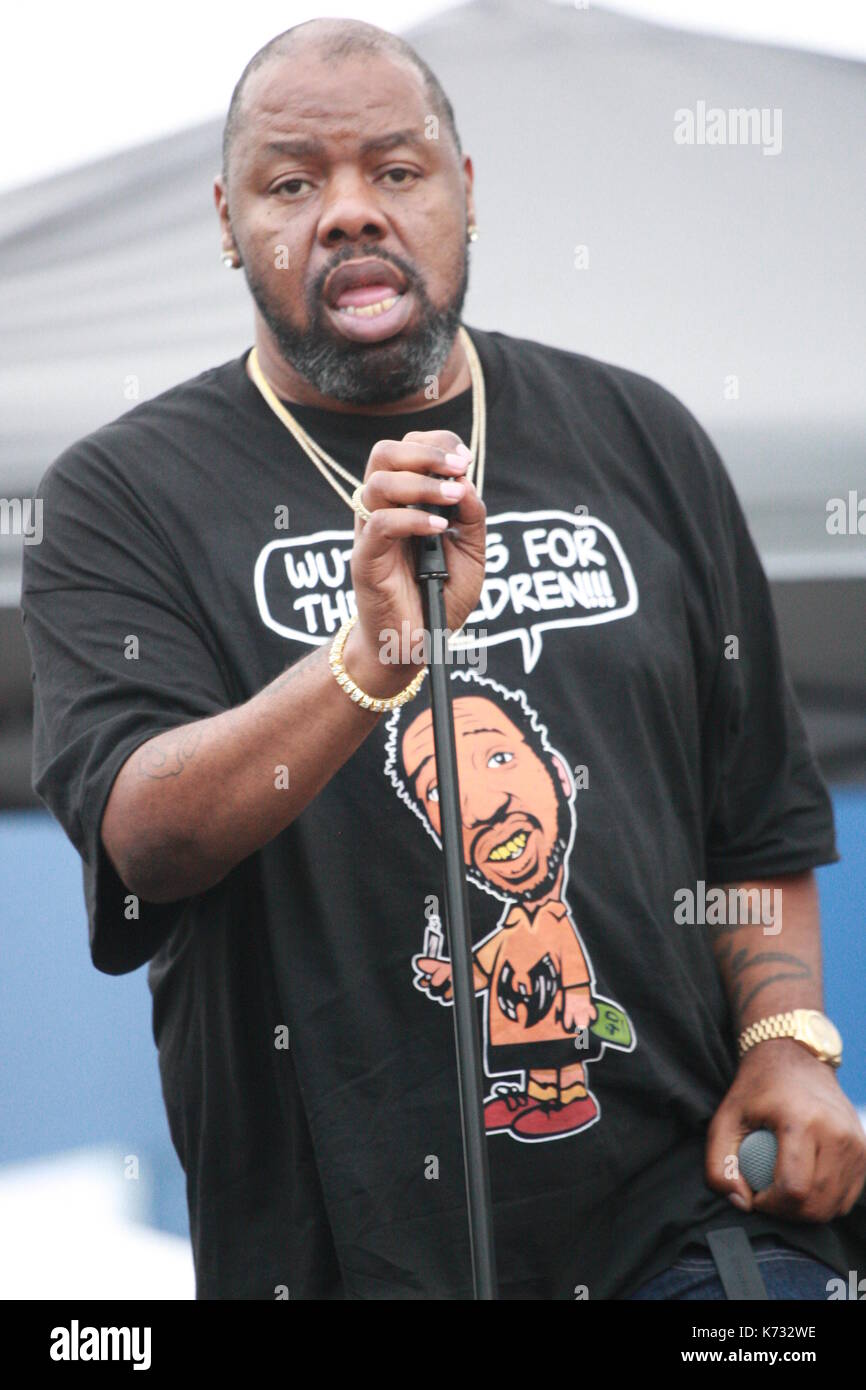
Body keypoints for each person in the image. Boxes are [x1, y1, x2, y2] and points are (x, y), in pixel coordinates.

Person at [20, 19, 866, 1300]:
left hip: (691, 1230)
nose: (349, 211)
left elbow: (752, 828)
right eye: (291, 182)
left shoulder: (639, 436)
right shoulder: (123, 496)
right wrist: (369, 658)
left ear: (465, 191)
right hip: (345, 1254)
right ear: (228, 221)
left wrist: (787, 1043)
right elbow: (145, 837)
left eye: (396, 170)